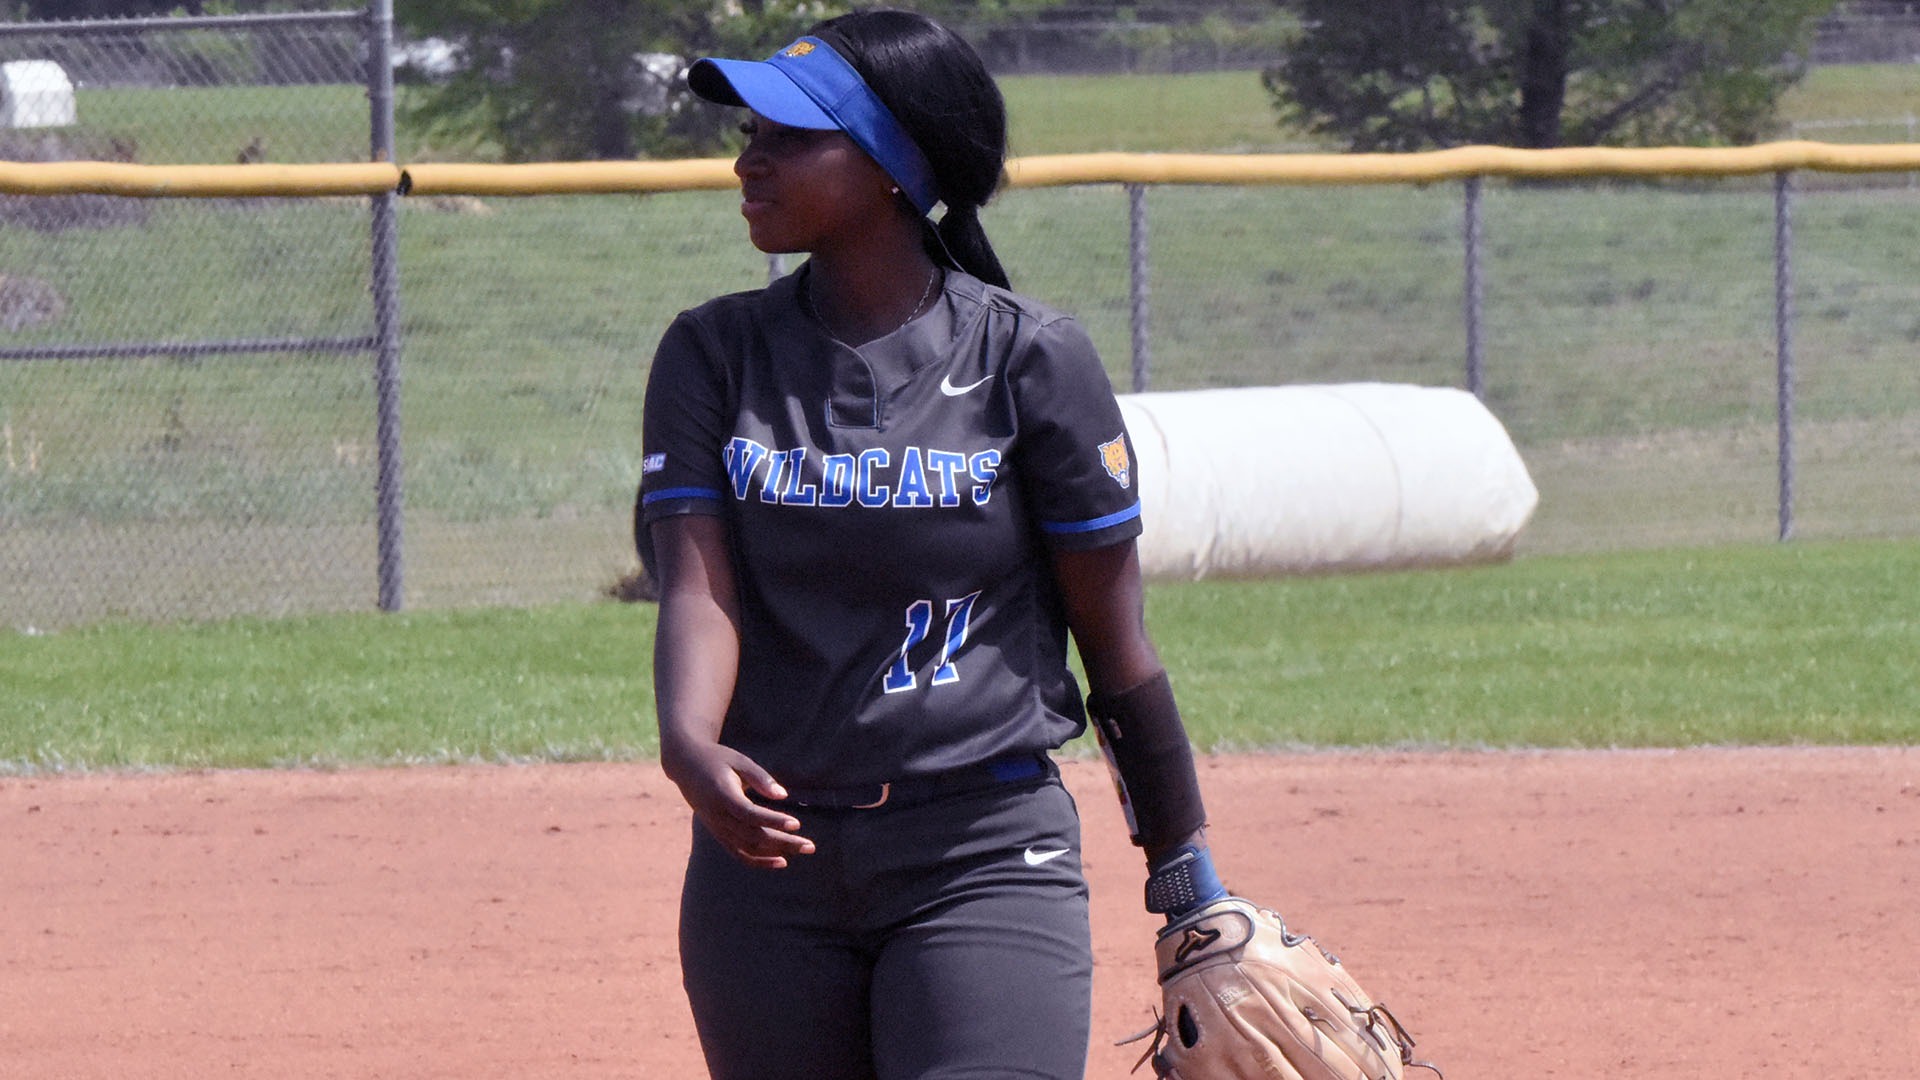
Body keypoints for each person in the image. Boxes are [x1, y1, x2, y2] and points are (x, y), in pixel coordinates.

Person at [636, 11, 1226, 1078]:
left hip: (983, 852)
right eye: (749, 131)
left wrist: (1182, 863)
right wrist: (687, 741)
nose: (748, 156)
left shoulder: (1028, 357)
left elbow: (1114, 635)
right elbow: (696, 584)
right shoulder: (713, 353)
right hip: (766, 866)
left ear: (892, 166)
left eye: (789, 133)